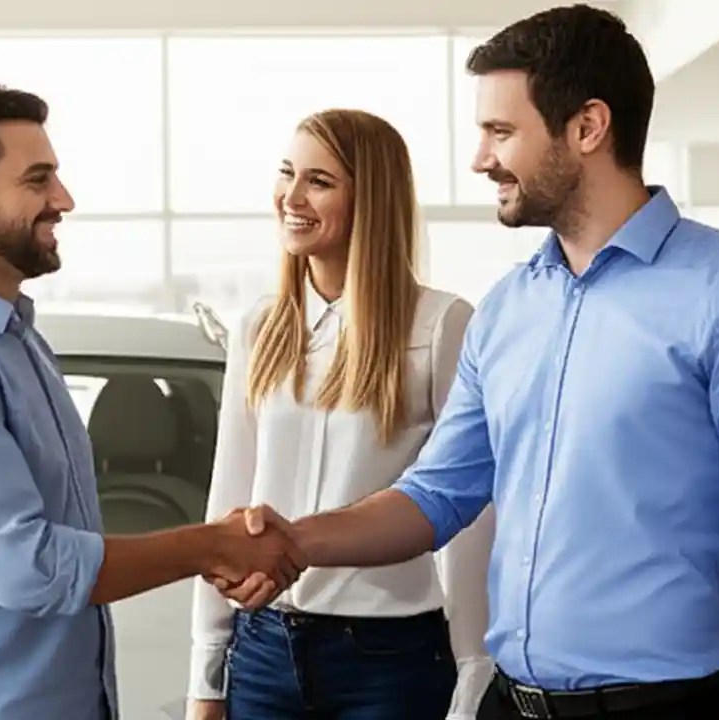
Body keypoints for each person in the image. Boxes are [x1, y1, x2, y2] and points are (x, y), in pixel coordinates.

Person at [211, 6, 719, 720]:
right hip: (512, 703)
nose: (482, 159)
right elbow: (435, 498)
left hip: (664, 705)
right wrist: (296, 540)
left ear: (587, 127)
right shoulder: (510, 308)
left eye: (500, 132)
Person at [0, 83, 305, 720]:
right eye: (38, 180)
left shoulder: (13, 341)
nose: (64, 200)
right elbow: (29, 568)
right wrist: (210, 546)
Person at [187, 109, 496, 720]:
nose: (291, 197)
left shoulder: (441, 325)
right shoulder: (261, 325)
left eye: (319, 181)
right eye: (286, 173)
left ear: (371, 198)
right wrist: (207, 675)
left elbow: (468, 514)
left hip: (390, 659)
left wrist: (472, 674)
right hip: (264, 650)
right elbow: (229, 497)